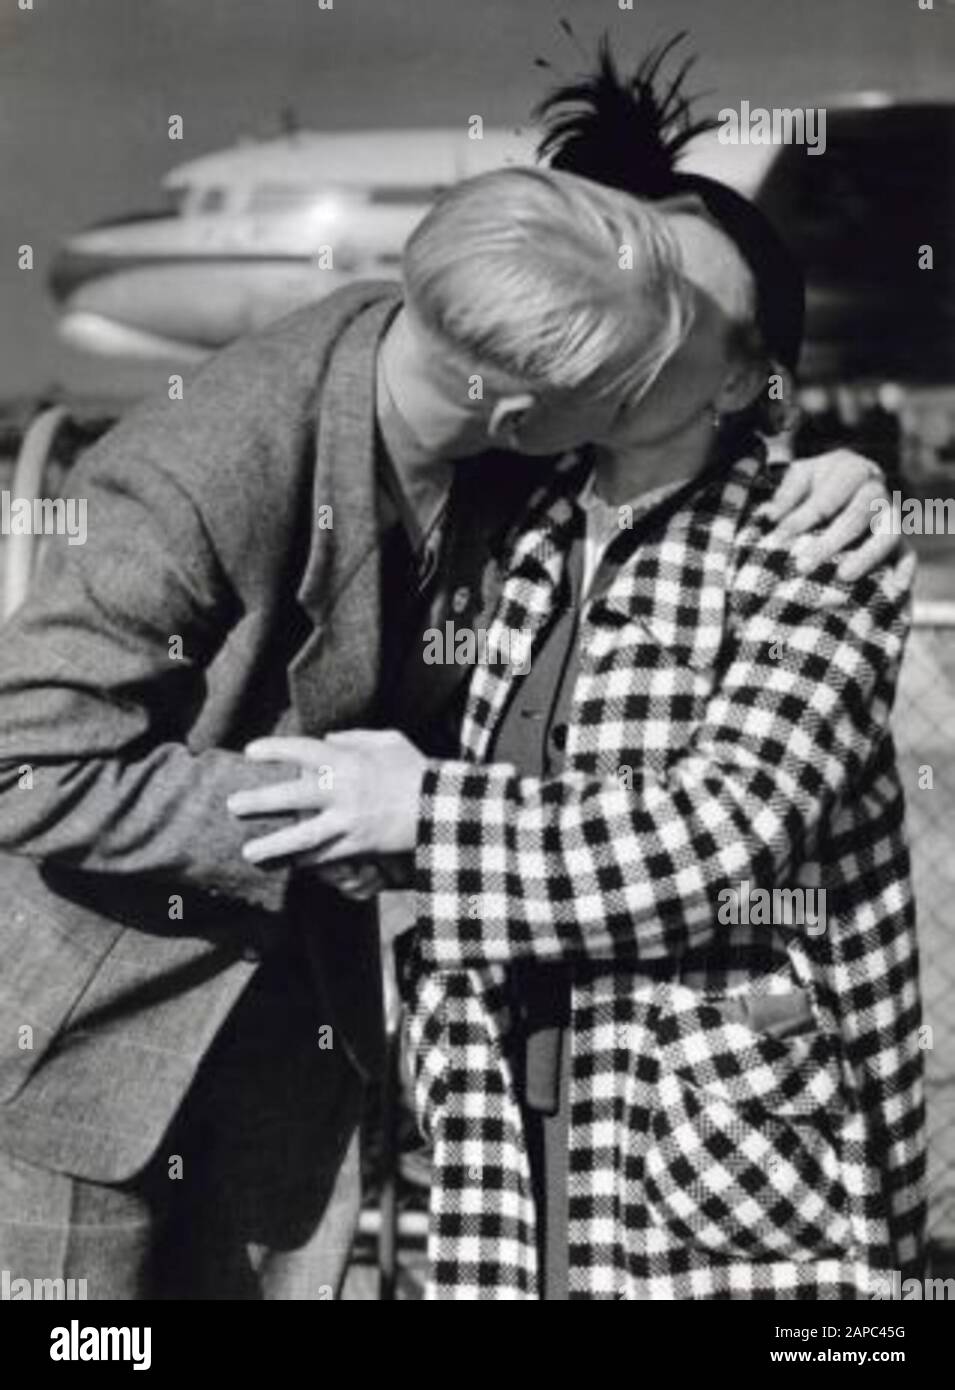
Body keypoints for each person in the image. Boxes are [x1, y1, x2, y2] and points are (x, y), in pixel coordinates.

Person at [234, 45, 924, 1300]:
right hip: (502, 1139)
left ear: (743, 378)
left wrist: (421, 816)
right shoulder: (513, 529)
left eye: (680, 308)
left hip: (720, 1185)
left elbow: (721, 833)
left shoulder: (806, 547)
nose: (634, 319)